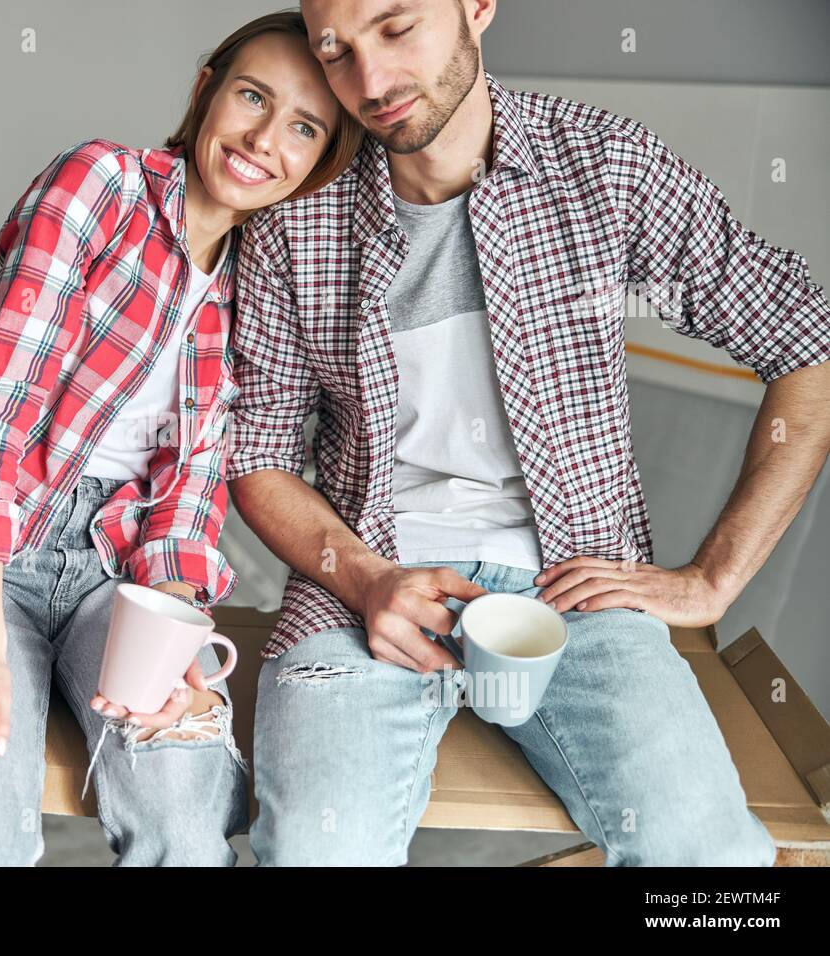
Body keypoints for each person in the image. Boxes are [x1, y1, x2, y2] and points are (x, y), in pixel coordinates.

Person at [228, 0, 829, 865]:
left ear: (477, 7)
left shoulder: (606, 165)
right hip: (366, 589)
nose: (371, 82)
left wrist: (711, 581)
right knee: (321, 852)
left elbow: (808, 346)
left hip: (580, 592)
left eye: (397, 28)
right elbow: (259, 453)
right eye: (336, 51)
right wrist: (362, 582)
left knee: (708, 858)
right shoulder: (295, 212)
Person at [0, 11, 363, 866]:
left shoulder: (255, 289)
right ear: (205, 92)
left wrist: (180, 643)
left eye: (303, 126)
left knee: (185, 819)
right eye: (252, 97)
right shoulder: (101, 186)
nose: (265, 139)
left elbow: (190, 497)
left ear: (318, 159)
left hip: (119, 584)